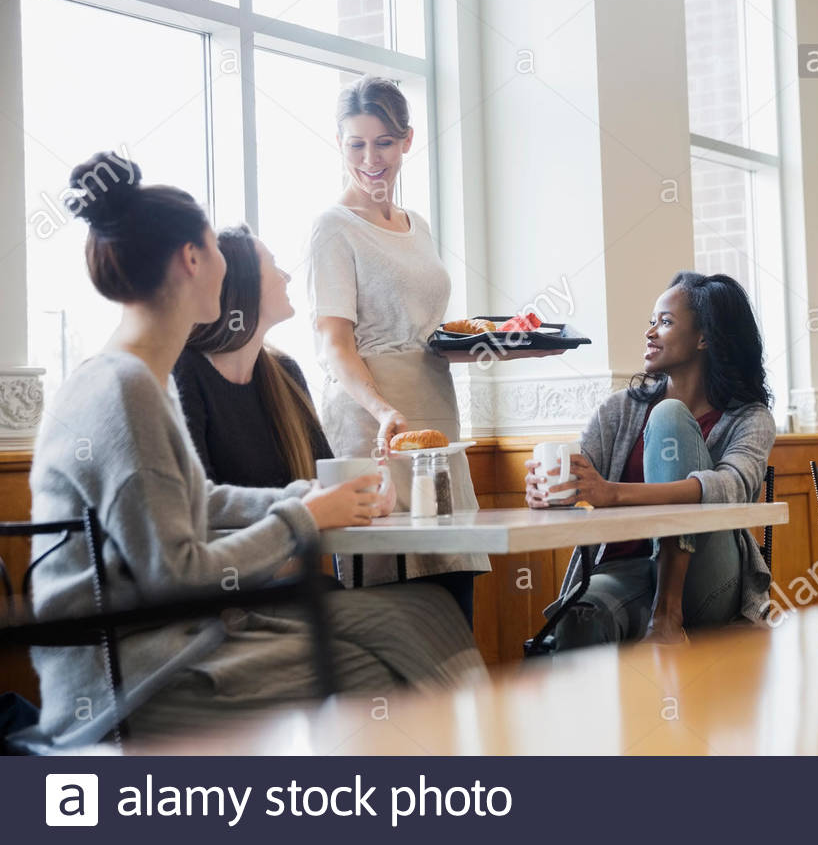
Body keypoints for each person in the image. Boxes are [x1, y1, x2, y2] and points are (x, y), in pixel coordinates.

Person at [23, 153, 483, 749]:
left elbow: (198, 500)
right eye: (214, 247)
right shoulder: (125, 388)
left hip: (170, 641)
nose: (224, 261)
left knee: (426, 611)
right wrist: (305, 517)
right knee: (382, 676)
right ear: (191, 260)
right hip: (131, 683)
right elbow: (178, 576)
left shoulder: (137, 379)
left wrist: (304, 495)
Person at [309, 76, 494, 620]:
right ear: (341, 144)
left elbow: (426, 333)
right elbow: (332, 341)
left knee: (453, 585)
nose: (371, 158)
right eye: (356, 144)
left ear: (407, 140)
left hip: (436, 415)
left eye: (384, 143)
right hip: (375, 424)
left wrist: (492, 350)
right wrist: (383, 410)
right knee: (390, 602)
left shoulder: (420, 228)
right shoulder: (333, 228)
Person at [526, 272, 775, 648]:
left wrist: (614, 493)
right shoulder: (618, 410)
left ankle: (667, 613)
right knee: (580, 617)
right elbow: (583, 482)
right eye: (651, 322)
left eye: (666, 322)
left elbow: (734, 488)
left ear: (704, 337)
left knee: (669, 416)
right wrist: (549, 490)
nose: (650, 332)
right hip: (626, 571)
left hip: (709, 579)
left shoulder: (749, 418)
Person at [173, 225, 344, 491]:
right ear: (244, 284)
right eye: (274, 266)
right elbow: (199, 499)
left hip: (299, 532)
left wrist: (368, 488)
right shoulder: (185, 369)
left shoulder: (286, 372)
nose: (286, 276)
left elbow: (326, 483)